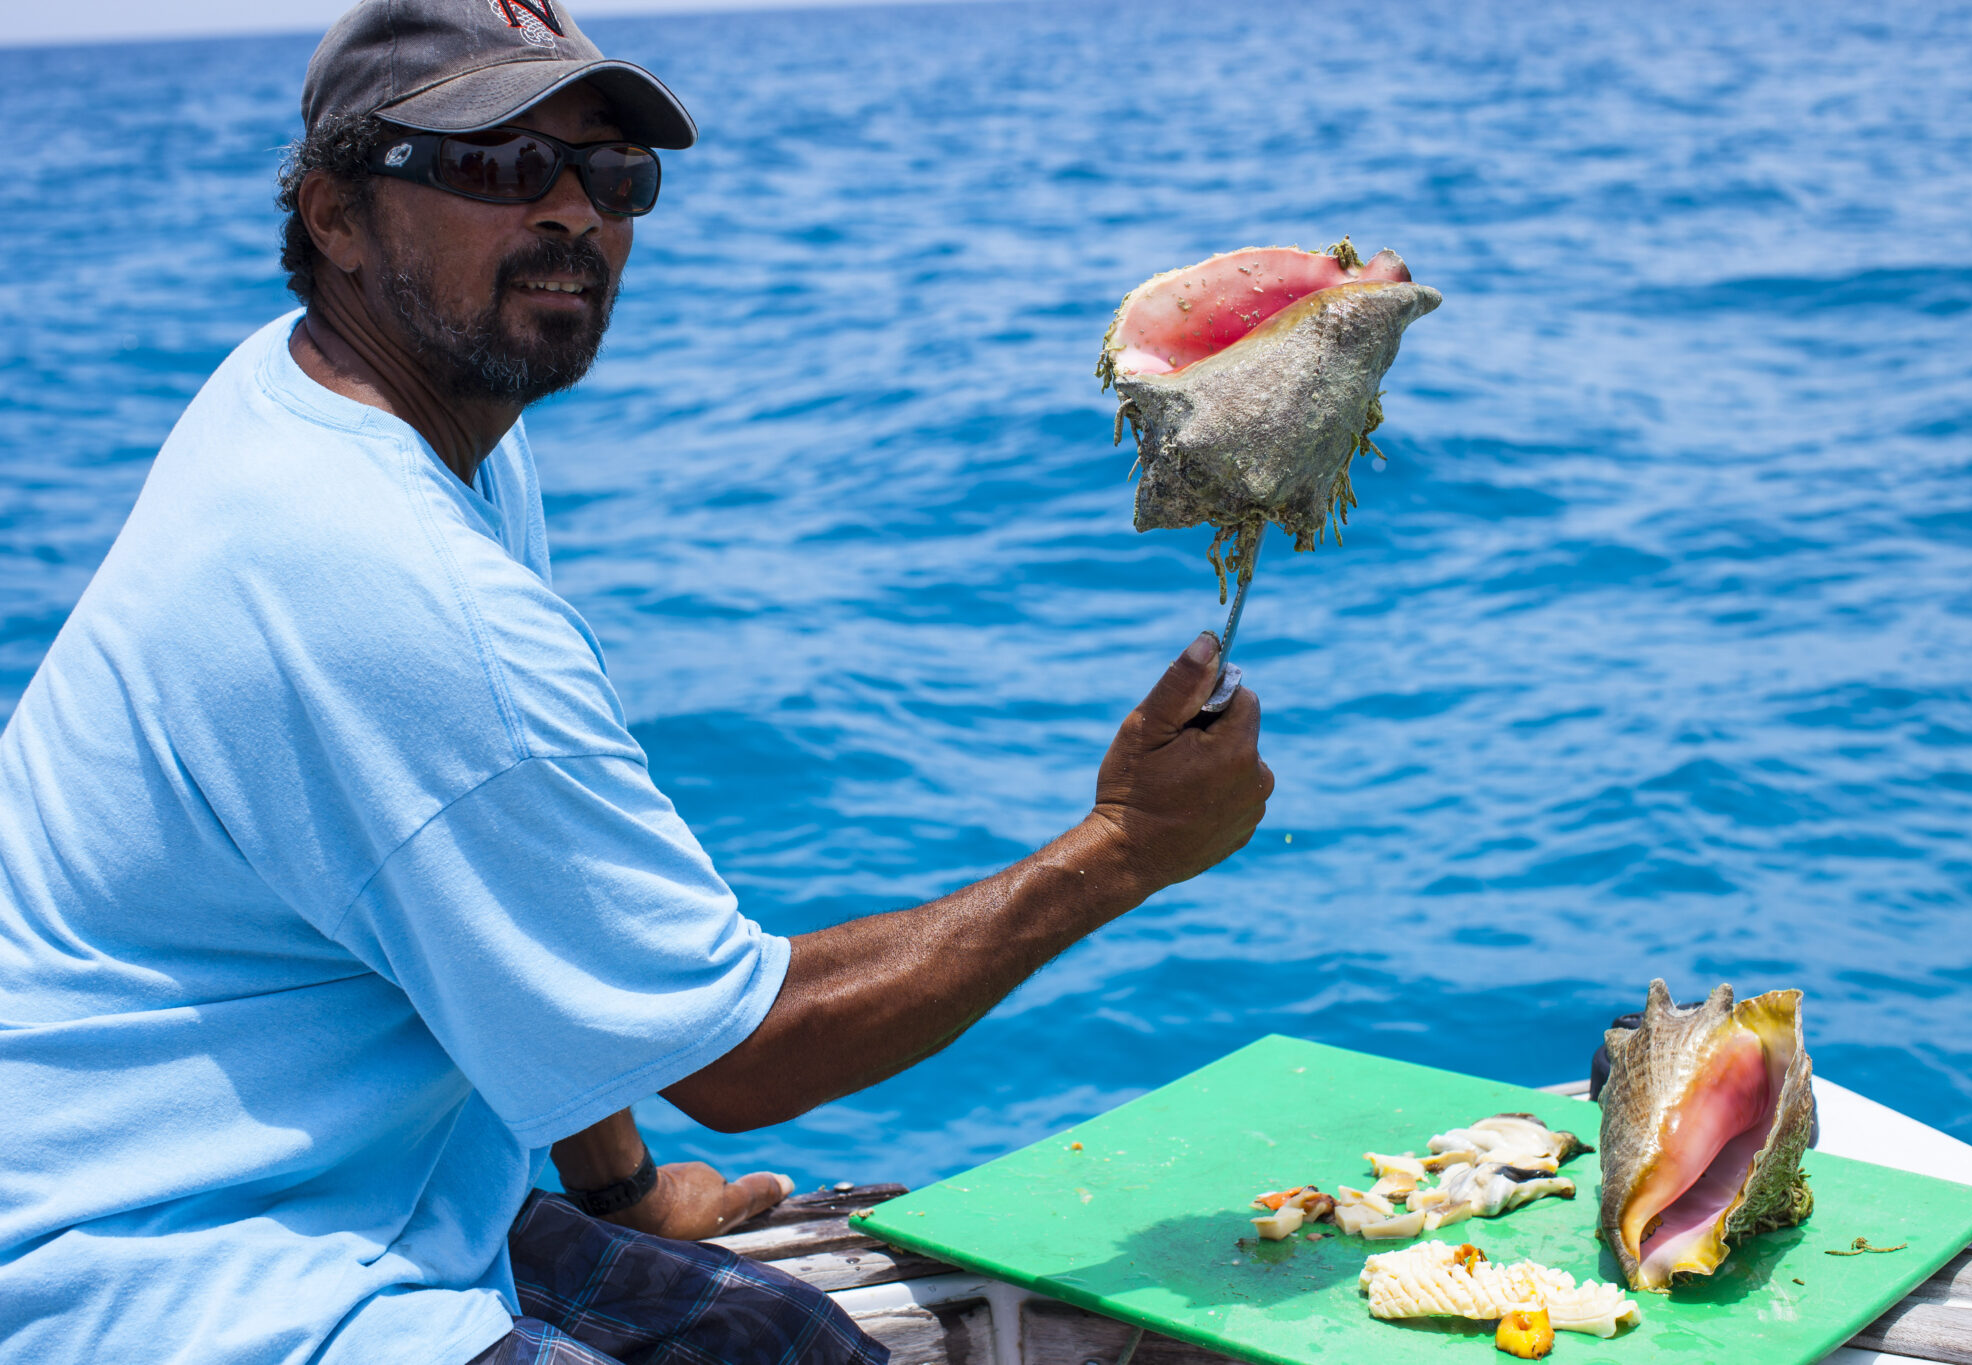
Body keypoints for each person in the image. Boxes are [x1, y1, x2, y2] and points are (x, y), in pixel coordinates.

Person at [0, 1, 1271, 1362]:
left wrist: (618, 1189)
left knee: (793, 1341)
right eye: (496, 168)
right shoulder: (387, 582)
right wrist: (1124, 849)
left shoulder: (376, 408)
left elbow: (524, 932)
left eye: (613, 177)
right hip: (176, 1285)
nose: (573, 216)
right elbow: (739, 1061)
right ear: (336, 218)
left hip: (354, 1194)